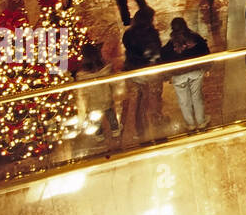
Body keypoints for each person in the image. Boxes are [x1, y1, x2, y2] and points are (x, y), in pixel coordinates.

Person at [160, 18, 210, 131]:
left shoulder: (170, 45)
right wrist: (207, 68)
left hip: (178, 76)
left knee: (184, 101)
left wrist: (168, 76)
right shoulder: (195, 39)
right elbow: (205, 52)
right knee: (197, 97)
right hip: (195, 72)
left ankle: (190, 124)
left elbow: (164, 59)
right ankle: (201, 121)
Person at [122, 8, 163, 141]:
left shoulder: (128, 34)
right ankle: (158, 124)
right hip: (150, 71)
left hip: (134, 70)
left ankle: (140, 129)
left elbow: (128, 48)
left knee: (139, 101)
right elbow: (156, 53)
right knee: (155, 97)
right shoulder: (151, 34)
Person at [75, 42, 120, 138]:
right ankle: (115, 129)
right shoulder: (106, 69)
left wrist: (82, 110)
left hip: (92, 104)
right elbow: (114, 83)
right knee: (110, 115)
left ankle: (99, 134)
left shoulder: (82, 76)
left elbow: (82, 95)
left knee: (95, 120)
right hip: (106, 99)